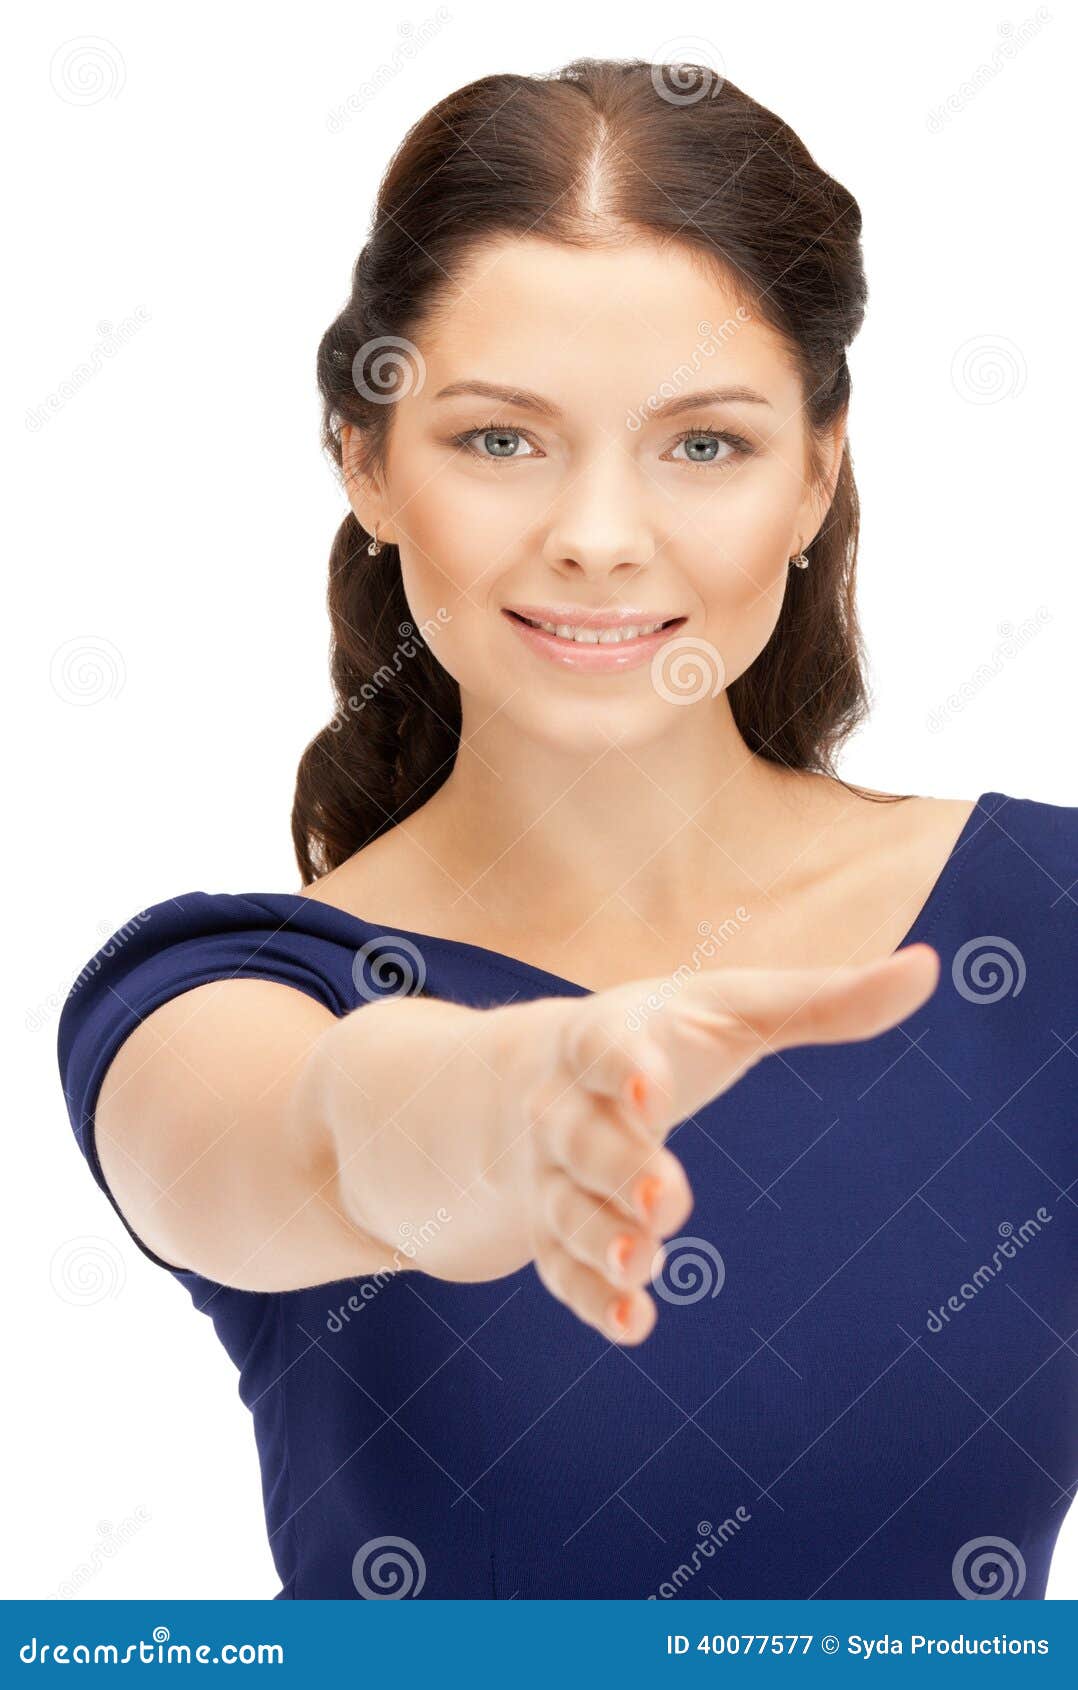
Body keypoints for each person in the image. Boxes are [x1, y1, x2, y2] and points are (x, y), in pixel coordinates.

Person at [57, 57, 1076, 1602]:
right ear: (365, 458)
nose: (598, 536)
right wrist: (503, 1093)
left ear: (817, 470)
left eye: (704, 444)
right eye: (500, 439)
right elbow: (313, 1131)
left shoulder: (1045, 920)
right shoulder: (216, 996)